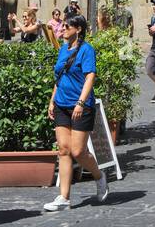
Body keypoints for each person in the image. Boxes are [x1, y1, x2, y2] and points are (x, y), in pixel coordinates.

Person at [44, 14, 109, 211]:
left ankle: (99, 176)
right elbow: (60, 77)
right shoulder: (63, 49)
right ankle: (64, 197)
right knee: (63, 149)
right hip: (62, 104)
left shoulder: (86, 50)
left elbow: (90, 76)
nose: (62, 29)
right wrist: (52, 100)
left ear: (78, 29)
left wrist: (81, 102)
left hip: (81, 105)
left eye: (66, 26)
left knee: (78, 151)